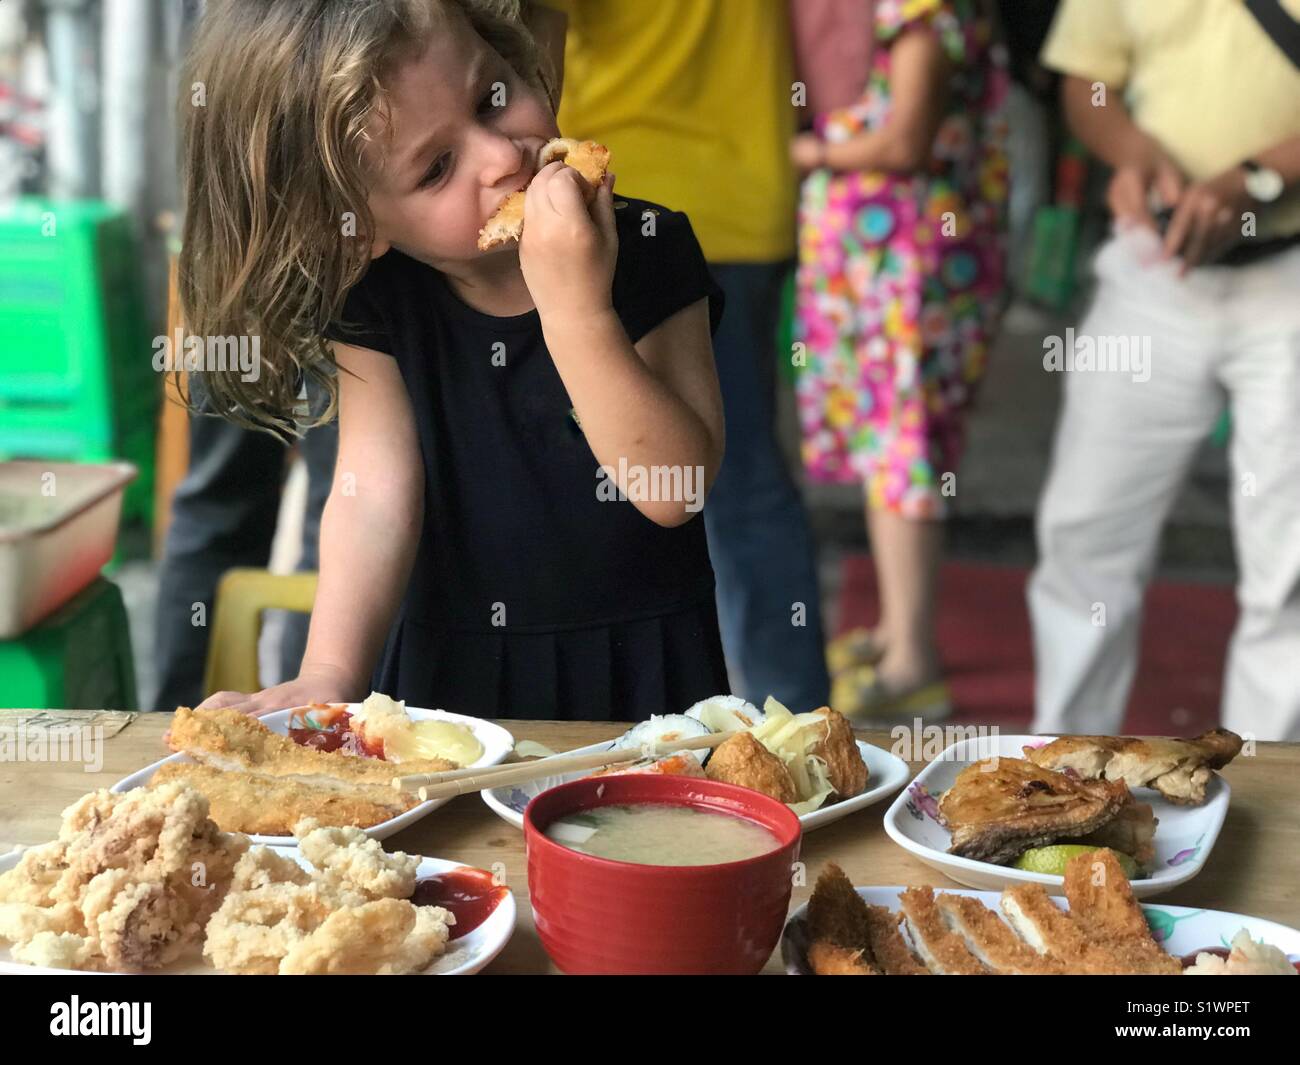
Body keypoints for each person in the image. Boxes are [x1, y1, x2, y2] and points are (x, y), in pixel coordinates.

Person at [179, 0, 728, 720]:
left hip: (643, 674)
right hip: (452, 680)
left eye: (493, 97)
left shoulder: (649, 247)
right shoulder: (378, 297)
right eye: (438, 167)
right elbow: (372, 495)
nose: (502, 156)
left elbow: (673, 489)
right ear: (356, 227)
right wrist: (329, 672)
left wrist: (577, 309)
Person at [539, 0, 831, 714]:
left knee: (602, 479)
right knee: (745, 480)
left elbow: (531, 41)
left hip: (609, 208)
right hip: (744, 198)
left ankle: (633, 725)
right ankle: (792, 725)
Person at [1029, 0, 1300, 740]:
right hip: (1153, 273)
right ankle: (1064, 768)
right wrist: (1133, 152)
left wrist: (1258, 178)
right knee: (1086, 532)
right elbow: (1087, 81)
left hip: (1290, 274)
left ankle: (1277, 800)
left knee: (1292, 569)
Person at [791, 0, 1010, 720]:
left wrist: (804, 153)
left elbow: (905, 139)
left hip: (911, 263)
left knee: (904, 452)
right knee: (891, 448)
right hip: (886, 260)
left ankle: (913, 658)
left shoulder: (922, 6)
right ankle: (894, 634)